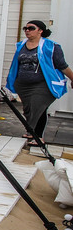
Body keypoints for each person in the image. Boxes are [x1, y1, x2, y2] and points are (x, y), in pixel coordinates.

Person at [5, 19, 73, 148]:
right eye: (25, 28)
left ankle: (39, 136)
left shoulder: (51, 47)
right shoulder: (21, 45)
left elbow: (62, 66)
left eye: (31, 28)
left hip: (43, 84)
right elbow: (16, 64)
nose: (27, 31)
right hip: (24, 84)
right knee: (28, 110)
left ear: (40, 31)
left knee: (38, 107)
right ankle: (31, 132)